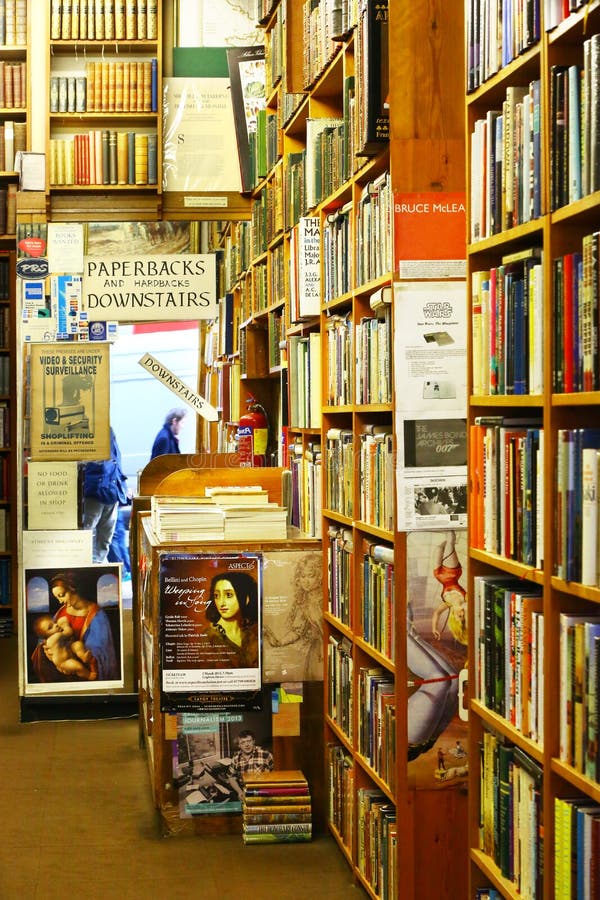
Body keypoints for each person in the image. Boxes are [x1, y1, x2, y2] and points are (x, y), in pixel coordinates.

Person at [30, 571, 119, 683]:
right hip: (64, 669)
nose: (60, 601)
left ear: (73, 589)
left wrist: (86, 653)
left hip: (86, 670)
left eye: (61, 595)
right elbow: (45, 633)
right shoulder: (61, 612)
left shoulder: (96, 615)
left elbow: (103, 649)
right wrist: (46, 650)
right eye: (57, 598)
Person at [262, 552, 323, 680]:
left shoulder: (327, 599)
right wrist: (278, 642)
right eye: (302, 576)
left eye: (311, 576)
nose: (305, 581)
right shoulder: (303, 600)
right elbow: (297, 631)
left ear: (320, 576)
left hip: (327, 648)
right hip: (316, 651)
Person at [82, 427, 128, 564]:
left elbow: (114, 460)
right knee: (95, 532)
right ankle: (92, 564)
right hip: (100, 489)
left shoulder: (105, 429)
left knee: (101, 534)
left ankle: (96, 564)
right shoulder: (98, 429)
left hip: (107, 490)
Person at [204, 570, 259, 668]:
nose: (221, 602)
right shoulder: (208, 638)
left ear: (246, 598)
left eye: (228, 595)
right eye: (216, 596)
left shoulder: (253, 634)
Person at [430, 530, 468, 645]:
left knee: (440, 546)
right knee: (450, 539)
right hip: (452, 572)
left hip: (439, 574)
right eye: (463, 616)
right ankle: (450, 530)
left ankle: (447, 531)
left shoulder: (447, 604)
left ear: (453, 617)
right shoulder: (466, 598)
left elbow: (436, 613)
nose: (462, 613)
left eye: (459, 616)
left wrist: (434, 628)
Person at [32, 614, 98, 681]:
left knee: (77, 645)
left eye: (54, 622)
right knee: (76, 665)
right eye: (50, 627)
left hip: (69, 652)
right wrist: (65, 624)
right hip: (64, 663)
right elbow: (69, 632)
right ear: (45, 635)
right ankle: (88, 675)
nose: (56, 625)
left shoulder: (53, 637)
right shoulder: (55, 638)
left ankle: (84, 657)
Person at [226, 730, 274, 800]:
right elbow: (231, 777)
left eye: (249, 741)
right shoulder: (236, 757)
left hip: (263, 793)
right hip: (245, 793)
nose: (247, 745)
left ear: (254, 741)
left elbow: (275, 774)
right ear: (239, 745)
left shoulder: (266, 754)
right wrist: (239, 792)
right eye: (243, 742)